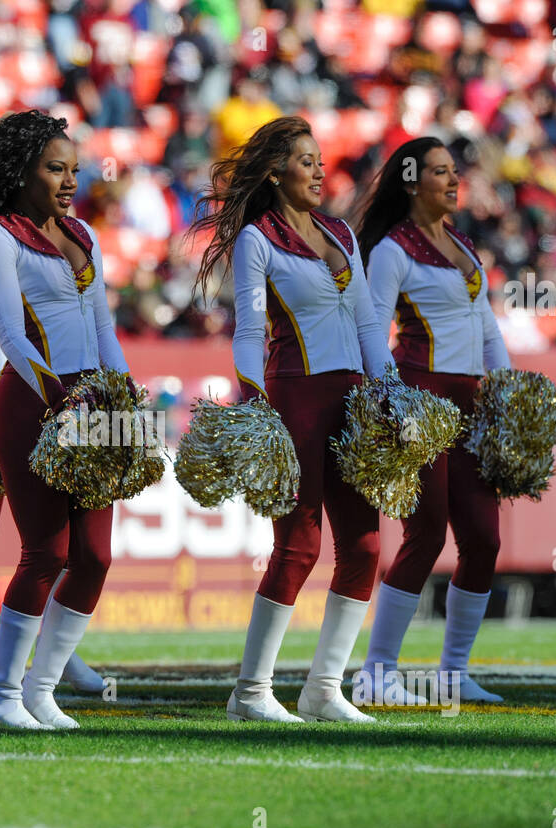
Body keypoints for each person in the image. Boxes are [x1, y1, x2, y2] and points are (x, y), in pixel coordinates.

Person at [190, 116, 390, 724]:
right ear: (276, 173)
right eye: (306, 160)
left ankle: (324, 688)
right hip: (295, 400)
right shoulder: (258, 239)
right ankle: (250, 692)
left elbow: (367, 324)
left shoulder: (342, 234)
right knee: (298, 546)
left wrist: (390, 391)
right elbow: (250, 330)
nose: (319, 169)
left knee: (364, 546)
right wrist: (254, 401)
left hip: (353, 401)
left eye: (321, 159)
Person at [0, 109, 133, 729]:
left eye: (74, 170)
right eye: (55, 168)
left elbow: (103, 324)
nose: (68, 181)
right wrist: (61, 398)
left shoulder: (84, 235)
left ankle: (40, 690)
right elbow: (10, 335)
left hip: (91, 402)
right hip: (33, 401)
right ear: (20, 171)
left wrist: (122, 387)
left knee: (96, 556)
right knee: (45, 550)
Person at [355, 136, 512, 706]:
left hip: (472, 403)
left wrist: (510, 386)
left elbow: (487, 326)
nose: (453, 181)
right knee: (427, 532)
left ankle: (453, 672)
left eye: (455, 172)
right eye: (441, 172)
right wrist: (393, 399)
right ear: (410, 182)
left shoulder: (466, 247)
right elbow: (372, 327)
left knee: (485, 538)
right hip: (421, 397)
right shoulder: (394, 249)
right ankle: (376, 670)